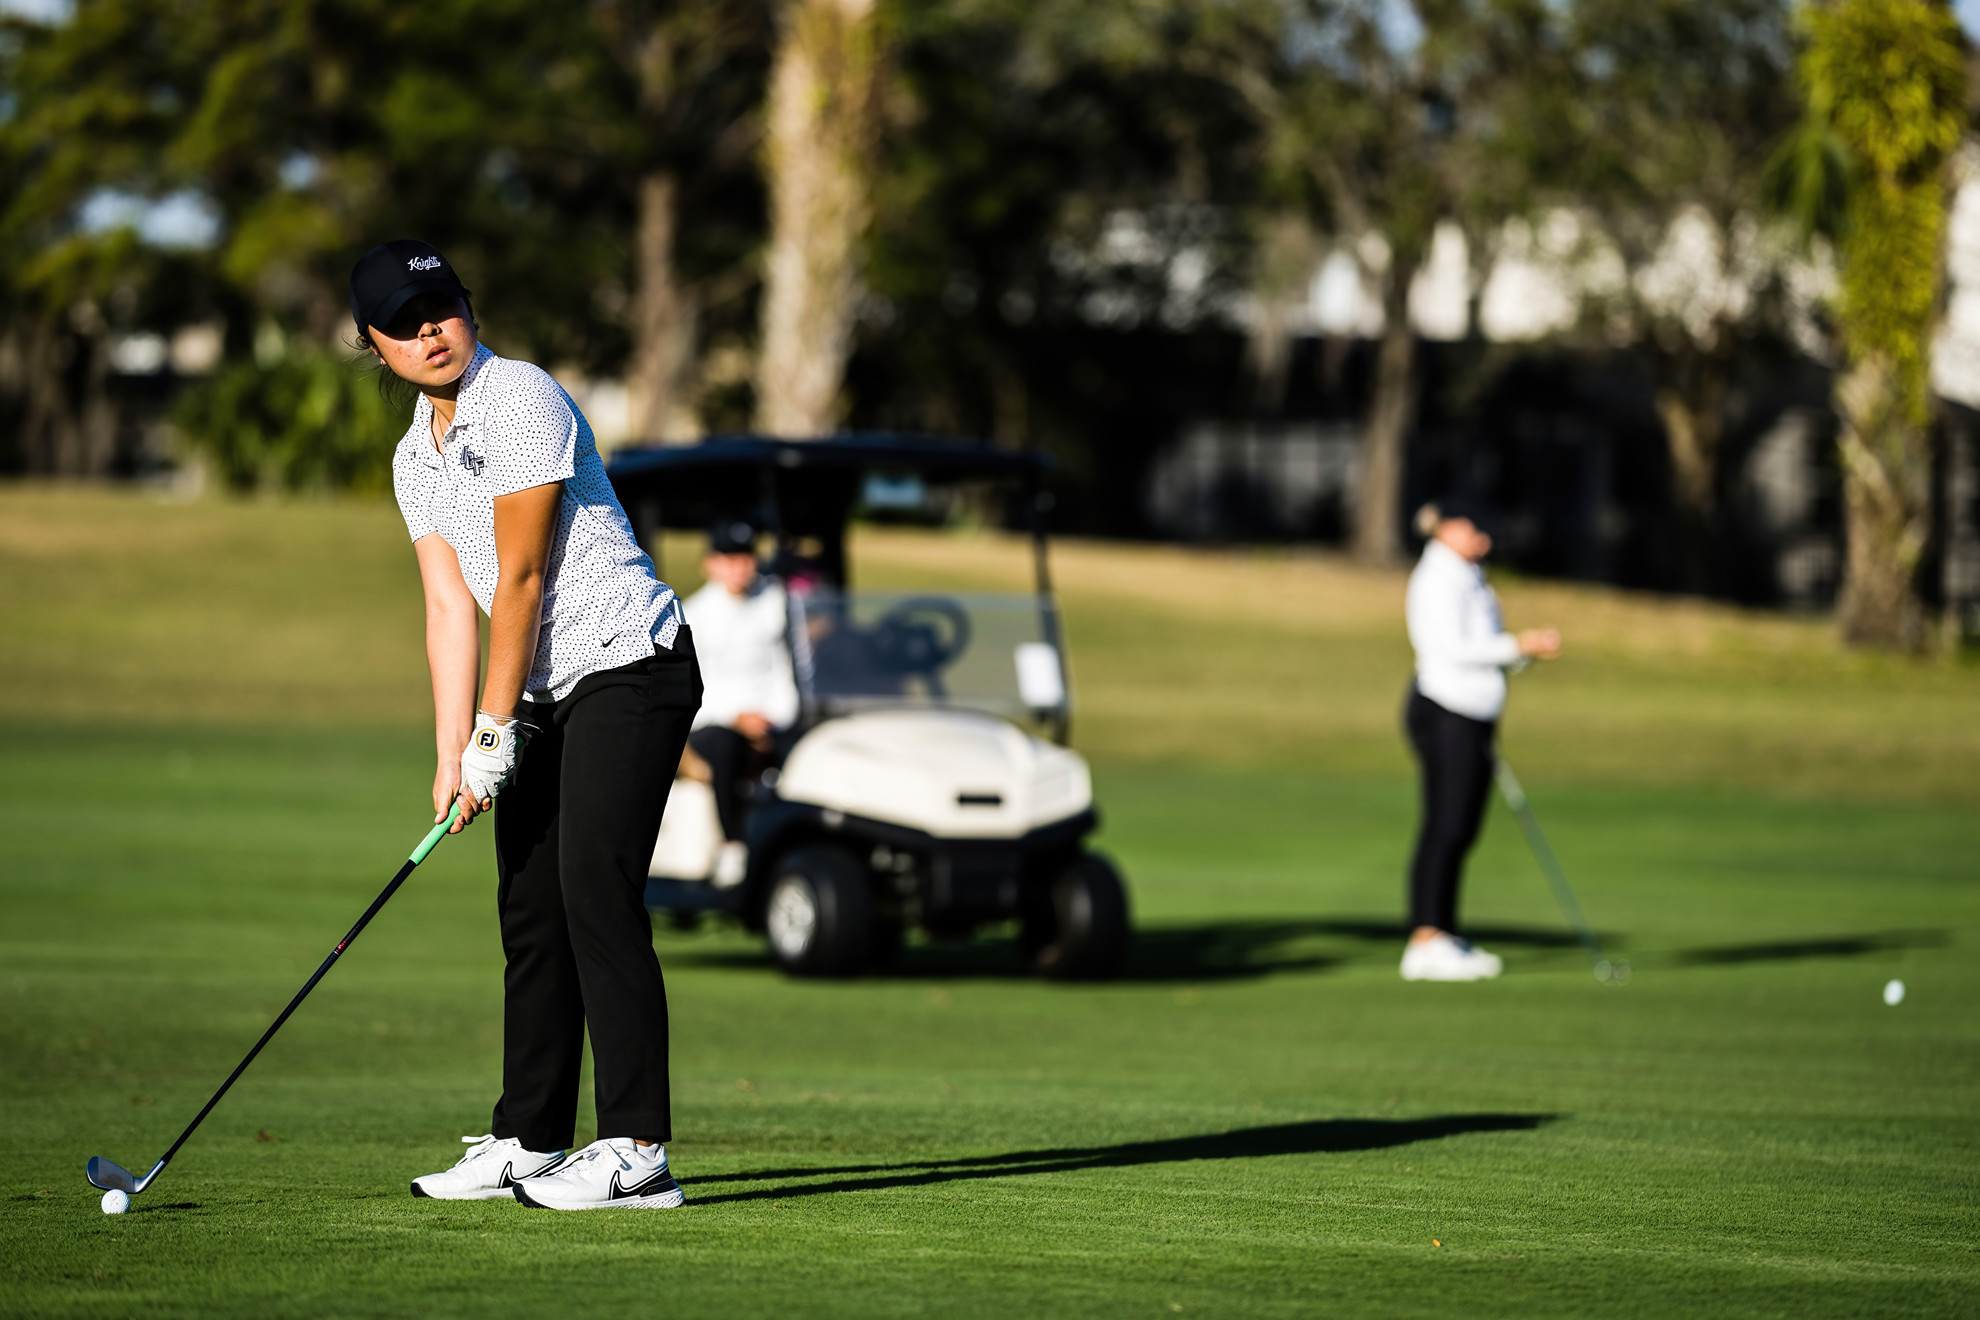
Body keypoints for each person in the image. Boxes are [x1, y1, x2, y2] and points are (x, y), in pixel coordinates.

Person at [353, 239, 700, 1210]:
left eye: (442, 307)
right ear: (372, 343)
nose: (429, 330)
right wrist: (452, 752)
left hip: (631, 666)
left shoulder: (521, 398)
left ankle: (636, 1150)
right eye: (403, 320)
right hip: (540, 692)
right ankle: (530, 1137)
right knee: (531, 909)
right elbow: (447, 607)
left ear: (468, 308)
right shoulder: (414, 458)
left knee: (594, 885)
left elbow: (521, 576)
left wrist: (494, 727)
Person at [1400, 499, 1560, 982]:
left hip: (1472, 712)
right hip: (1446, 710)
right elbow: (1453, 649)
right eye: (1477, 530)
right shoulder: (1436, 579)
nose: (1485, 541)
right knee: (1446, 825)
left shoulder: (1470, 576)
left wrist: (1519, 652)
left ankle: (1442, 932)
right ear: (1449, 527)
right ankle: (1426, 940)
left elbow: (1484, 642)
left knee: (1461, 827)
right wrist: (1518, 646)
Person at [682, 519, 800, 885]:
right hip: (715, 723)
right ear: (711, 564)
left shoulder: (777, 602)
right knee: (724, 746)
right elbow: (695, 687)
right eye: (730, 558)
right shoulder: (694, 613)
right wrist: (737, 718)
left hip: (771, 719)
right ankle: (734, 845)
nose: (740, 567)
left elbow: (786, 671)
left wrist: (777, 718)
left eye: (746, 557)